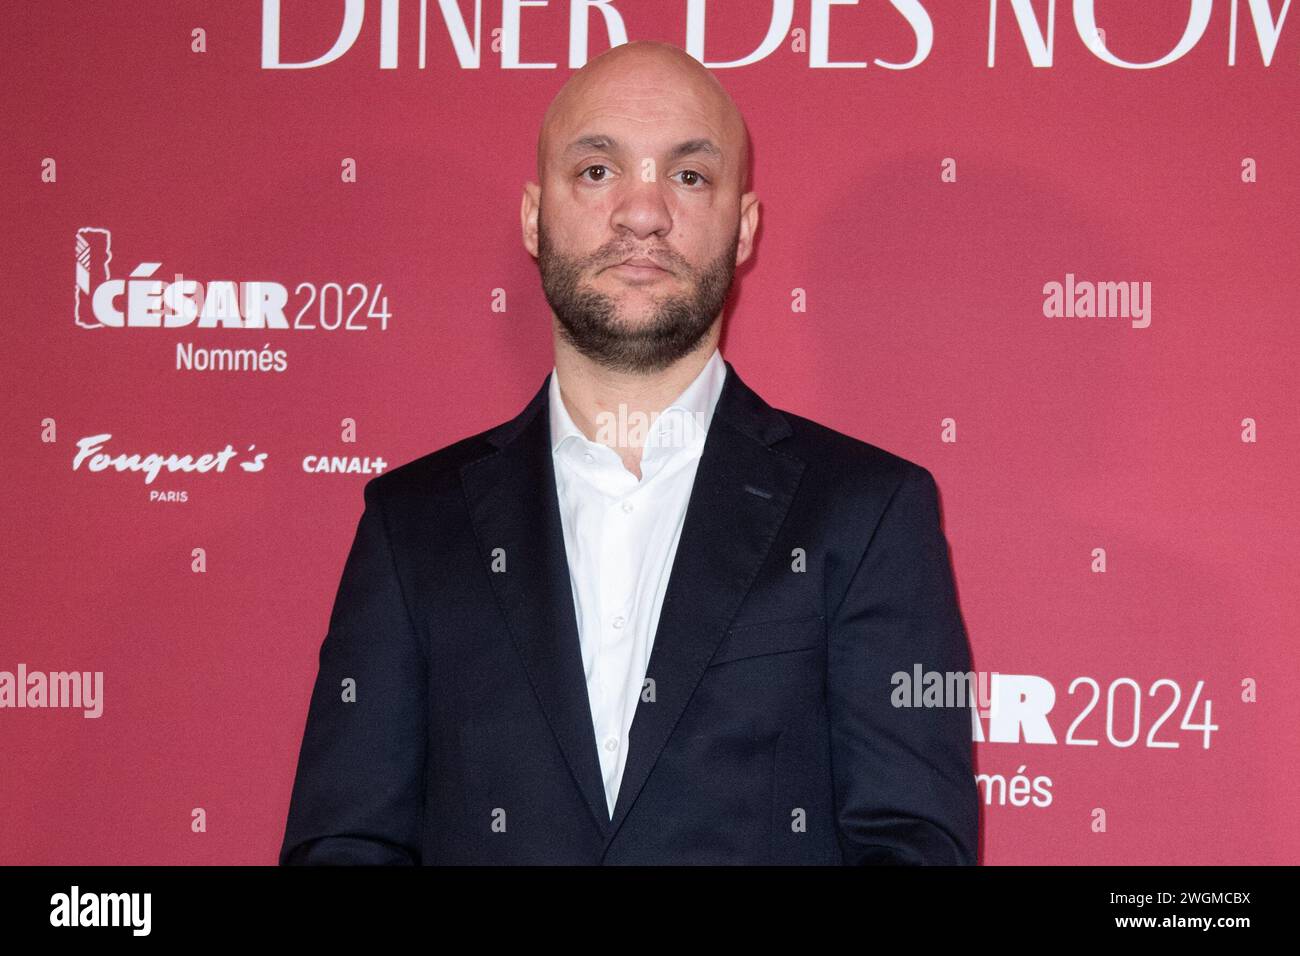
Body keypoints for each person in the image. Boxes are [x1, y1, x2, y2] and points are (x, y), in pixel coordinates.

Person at [279, 40, 979, 865]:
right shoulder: (412, 525)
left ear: (744, 226)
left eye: (688, 176)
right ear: (535, 218)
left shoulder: (867, 513)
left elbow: (913, 846)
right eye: (599, 170)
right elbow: (347, 844)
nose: (642, 214)